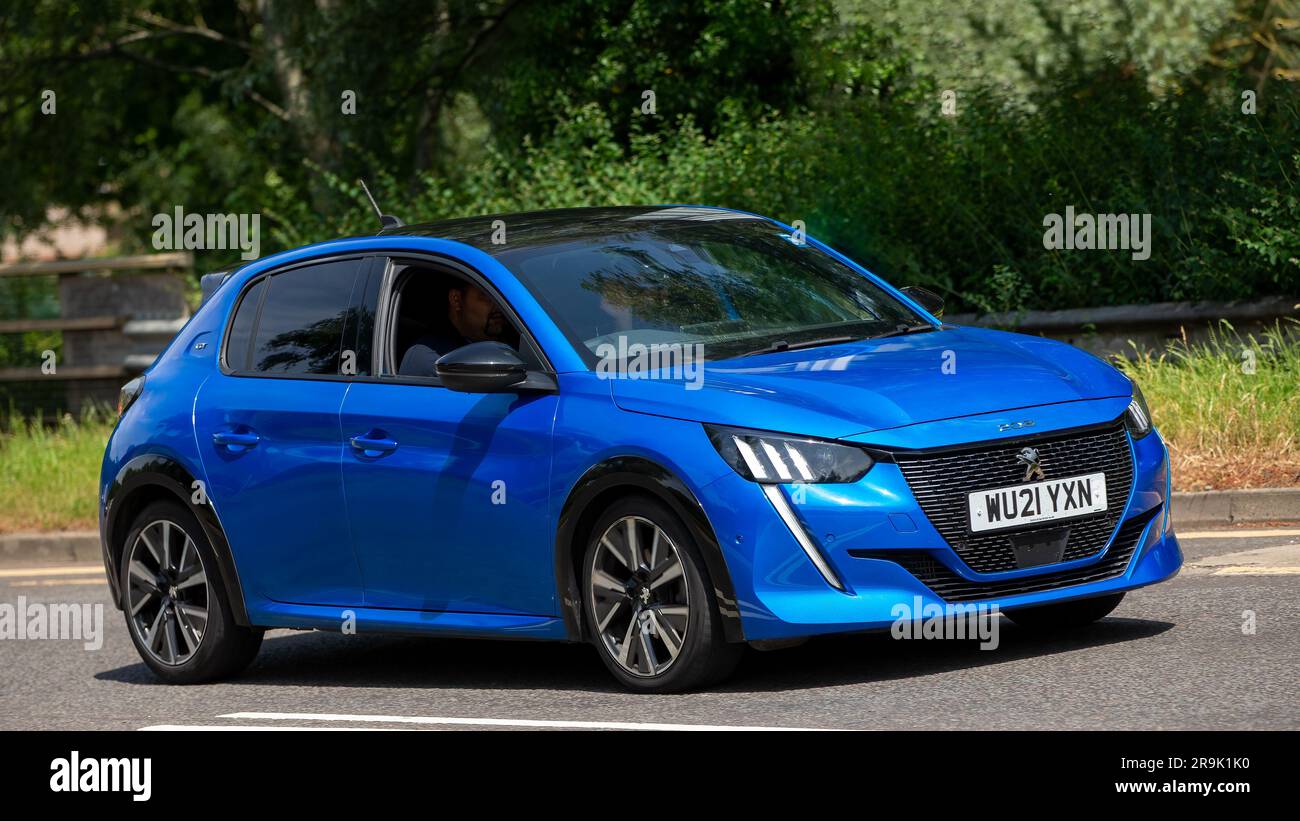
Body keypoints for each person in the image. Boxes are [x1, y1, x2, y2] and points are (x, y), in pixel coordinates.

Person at [399, 280, 511, 377]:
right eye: (487, 295)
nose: (499, 306)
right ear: (456, 299)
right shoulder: (431, 358)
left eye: (500, 297)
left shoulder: (517, 339)